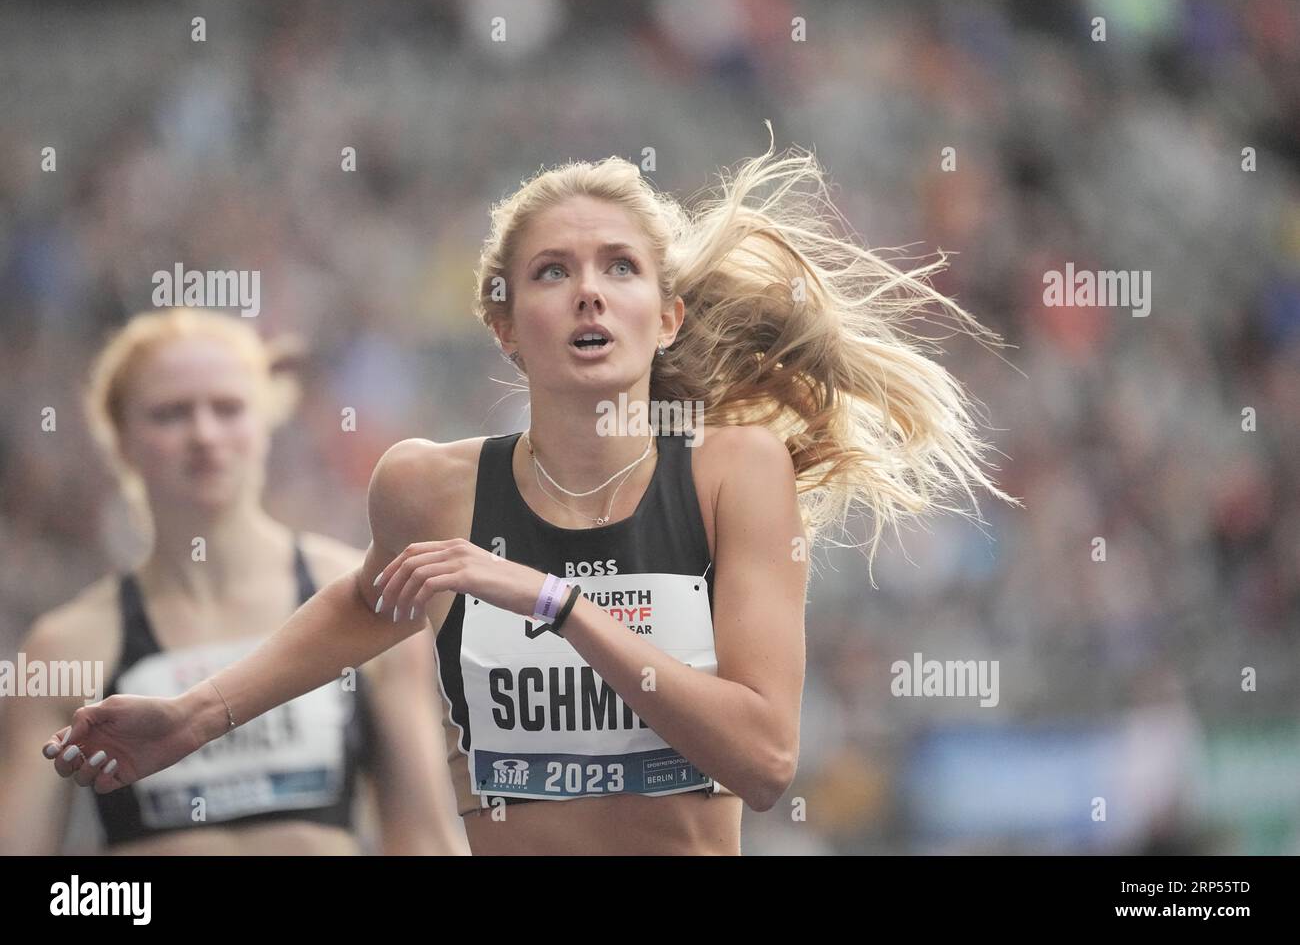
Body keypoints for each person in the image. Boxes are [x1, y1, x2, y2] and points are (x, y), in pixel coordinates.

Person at [42, 130, 1015, 855]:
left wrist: (556, 602)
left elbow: (761, 760)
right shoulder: (431, 485)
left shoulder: (731, 470)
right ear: (505, 326)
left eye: (618, 267)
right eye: (552, 271)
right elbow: (362, 604)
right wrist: (194, 715)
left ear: (664, 314)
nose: (588, 292)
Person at [2, 307, 468, 855]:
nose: (204, 434)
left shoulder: (365, 599)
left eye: (227, 409)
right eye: (170, 414)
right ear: (121, 439)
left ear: (266, 421)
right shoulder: (65, 648)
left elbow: (424, 837)